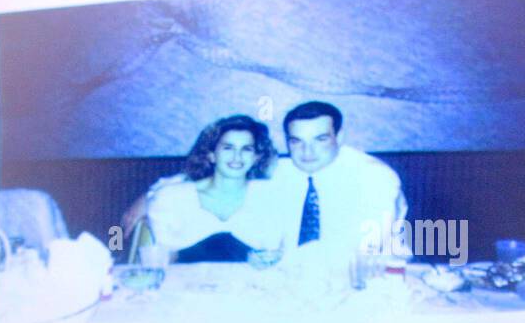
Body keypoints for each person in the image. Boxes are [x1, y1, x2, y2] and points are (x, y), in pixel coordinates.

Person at [123, 114, 285, 262]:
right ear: (211, 155)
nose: (237, 156)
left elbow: (274, 254)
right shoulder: (172, 198)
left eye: (246, 149)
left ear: (256, 157)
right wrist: (150, 195)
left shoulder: (268, 197)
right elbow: (158, 257)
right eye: (228, 148)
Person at [271, 100, 408, 269]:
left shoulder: (375, 177)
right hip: (297, 275)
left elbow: (365, 247)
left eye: (320, 140)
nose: (307, 152)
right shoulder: (282, 173)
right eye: (297, 141)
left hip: (374, 273)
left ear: (340, 137)